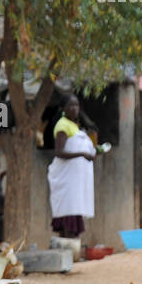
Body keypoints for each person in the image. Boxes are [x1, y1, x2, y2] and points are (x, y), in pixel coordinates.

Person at [47, 95, 95, 239]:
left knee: (73, 211)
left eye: (77, 105)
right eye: (71, 106)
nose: (75, 109)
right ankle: (69, 249)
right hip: (67, 181)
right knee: (69, 213)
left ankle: (70, 249)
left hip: (75, 180)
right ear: (63, 109)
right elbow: (59, 152)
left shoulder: (74, 125)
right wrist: (82, 154)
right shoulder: (62, 126)